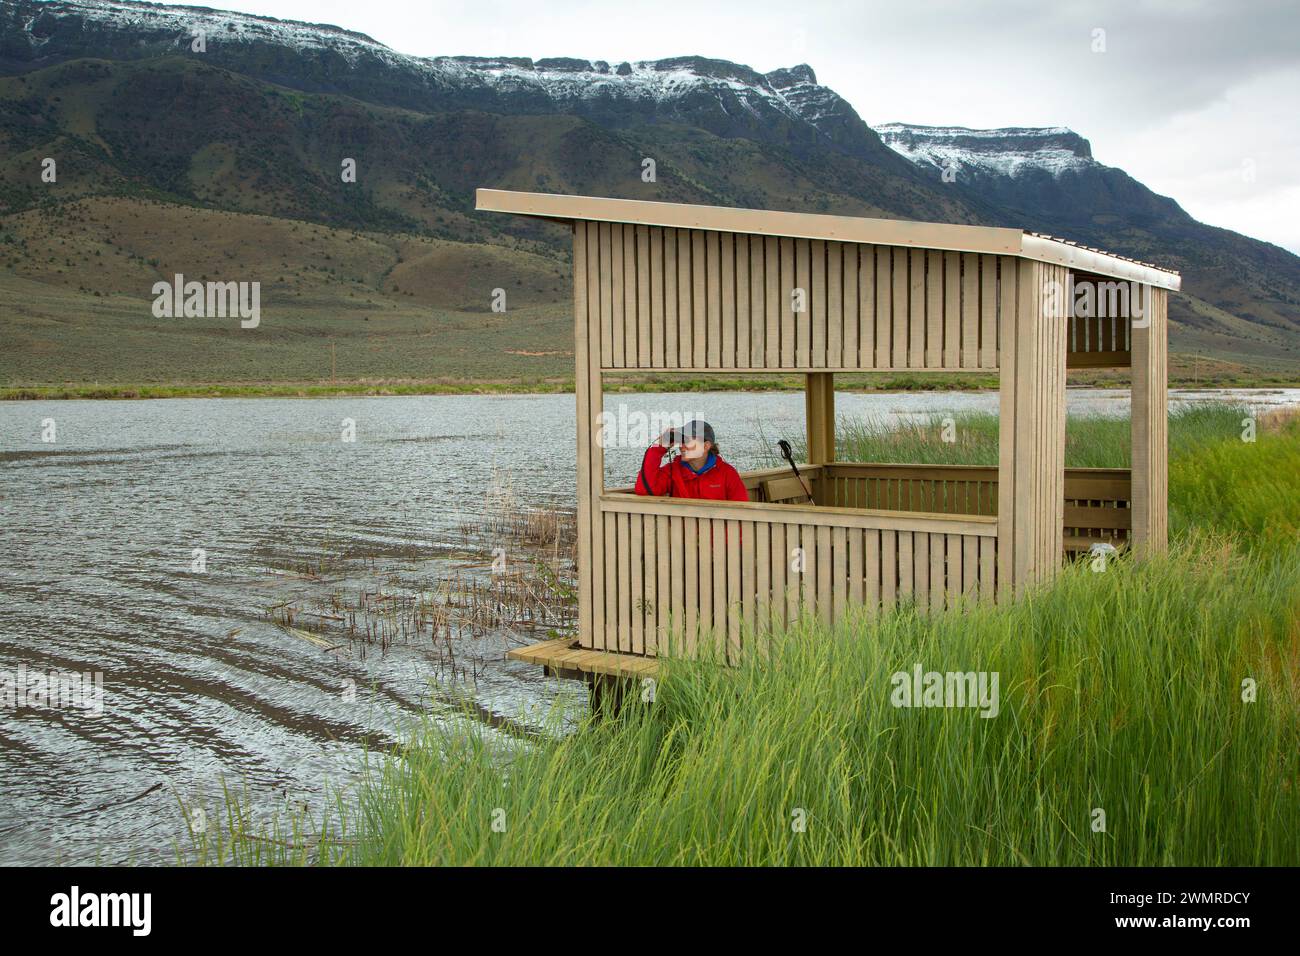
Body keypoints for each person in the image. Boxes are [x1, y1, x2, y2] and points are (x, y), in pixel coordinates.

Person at [634, 420, 749, 501]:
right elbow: (645, 490)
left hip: (718, 535)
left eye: (688, 441)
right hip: (683, 535)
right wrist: (658, 448)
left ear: (706, 446)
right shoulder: (673, 471)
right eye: (681, 441)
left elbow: (742, 513)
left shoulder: (727, 474)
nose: (682, 446)